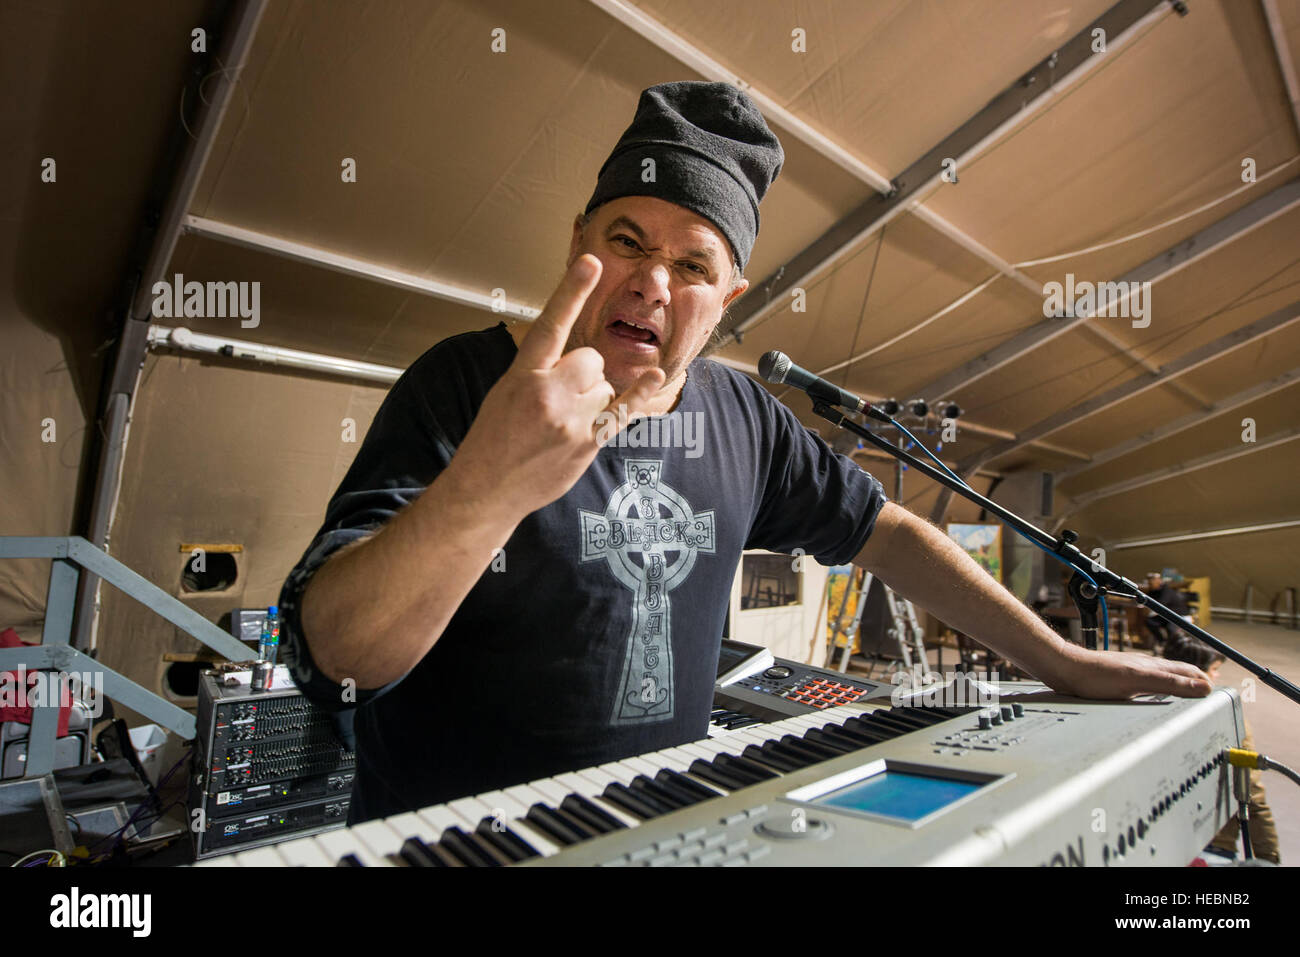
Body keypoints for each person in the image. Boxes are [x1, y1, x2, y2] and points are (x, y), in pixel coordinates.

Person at [277, 81, 1212, 825]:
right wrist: (485, 484)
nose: (650, 281)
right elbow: (336, 655)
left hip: (659, 832)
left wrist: (1063, 663)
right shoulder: (463, 384)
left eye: (692, 265)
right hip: (457, 845)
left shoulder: (744, 417)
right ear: (577, 245)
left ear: (728, 298)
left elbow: (883, 533)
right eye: (625, 241)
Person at [1162, 637, 1281, 863]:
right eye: (1214, 670)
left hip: (1167, 846)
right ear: (1196, 673)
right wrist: (1269, 857)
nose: (1217, 677)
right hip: (1214, 848)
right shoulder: (1226, 719)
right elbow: (1252, 793)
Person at [1140, 571, 1191, 651]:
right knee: (1150, 622)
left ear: (1159, 581)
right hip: (1166, 616)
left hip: (1179, 615)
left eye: (1152, 581)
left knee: (1170, 627)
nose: (1150, 584)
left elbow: (1160, 604)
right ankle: (1163, 642)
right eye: (1149, 582)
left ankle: (1174, 648)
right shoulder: (1153, 590)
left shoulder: (1166, 590)